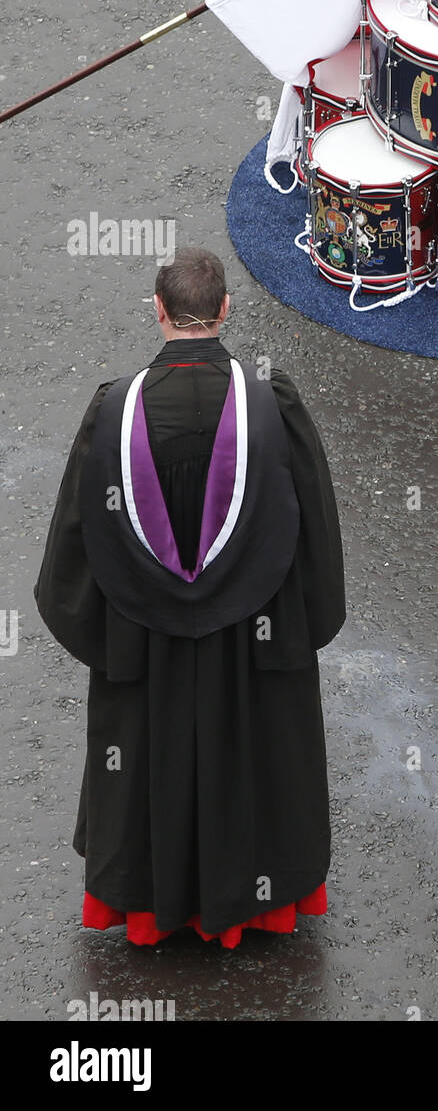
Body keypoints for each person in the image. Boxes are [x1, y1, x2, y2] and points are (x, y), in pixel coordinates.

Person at [35, 247, 345, 947]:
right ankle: (254, 903)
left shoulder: (114, 414)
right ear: (225, 309)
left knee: (150, 758)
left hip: (148, 648)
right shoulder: (272, 405)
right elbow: (314, 533)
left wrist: (111, 637)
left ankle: (154, 906)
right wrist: (302, 624)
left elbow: (72, 553)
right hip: (255, 642)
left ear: (159, 310)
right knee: (255, 753)